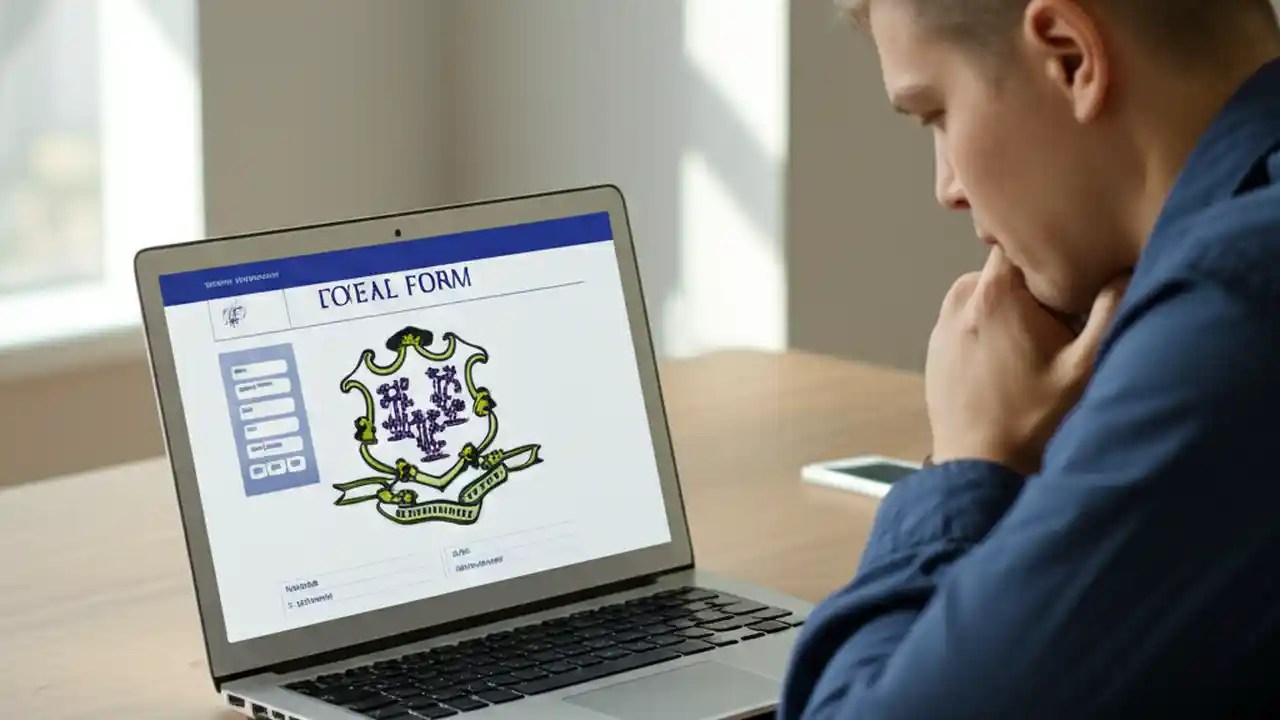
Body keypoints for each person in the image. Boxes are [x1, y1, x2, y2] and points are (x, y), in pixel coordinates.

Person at [778, 0, 1280, 717]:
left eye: (937, 113)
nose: (946, 186)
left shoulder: (1236, 316)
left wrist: (972, 460)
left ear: (1070, 56)